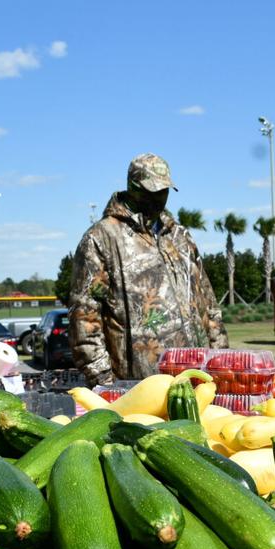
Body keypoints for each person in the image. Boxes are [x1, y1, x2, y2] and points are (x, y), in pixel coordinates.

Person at [68, 153, 228, 386]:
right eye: (151, 191)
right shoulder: (102, 238)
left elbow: (209, 305)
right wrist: (104, 382)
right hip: (138, 387)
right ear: (132, 187)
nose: (159, 197)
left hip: (197, 379)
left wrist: (221, 361)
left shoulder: (179, 236)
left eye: (163, 191)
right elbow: (85, 317)